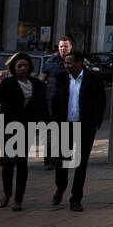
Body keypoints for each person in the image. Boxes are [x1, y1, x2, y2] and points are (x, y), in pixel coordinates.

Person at [0, 53, 50, 210]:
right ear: (14, 68)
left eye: (25, 66)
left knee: (22, 163)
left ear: (29, 67)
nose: (23, 69)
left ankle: (19, 199)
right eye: (19, 66)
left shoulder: (35, 84)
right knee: (8, 164)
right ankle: (7, 194)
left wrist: (46, 123)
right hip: (9, 127)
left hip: (26, 127)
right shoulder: (8, 83)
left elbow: (41, 104)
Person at [51, 51, 107, 211]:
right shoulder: (62, 78)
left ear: (80, 63)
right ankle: (60, 188)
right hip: (64, 124)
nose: (67, 66)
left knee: (81, 163)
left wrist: (96, 122)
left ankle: (76, 198)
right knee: (62, 161)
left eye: (70, 63)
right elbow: (56, 101)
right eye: (65, 63)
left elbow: (101, 101)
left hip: (85, 126)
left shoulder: (93, 78)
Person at [42, 36, 73, 170]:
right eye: (61, 46)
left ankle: (64, 157)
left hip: (68, 101)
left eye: (65, 46)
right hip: (52, 101)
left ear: (70, 47)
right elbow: (42, 78)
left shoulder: (75, 62)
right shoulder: (50, 61)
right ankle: (50, 160)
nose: (63, 49)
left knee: (67, 129)